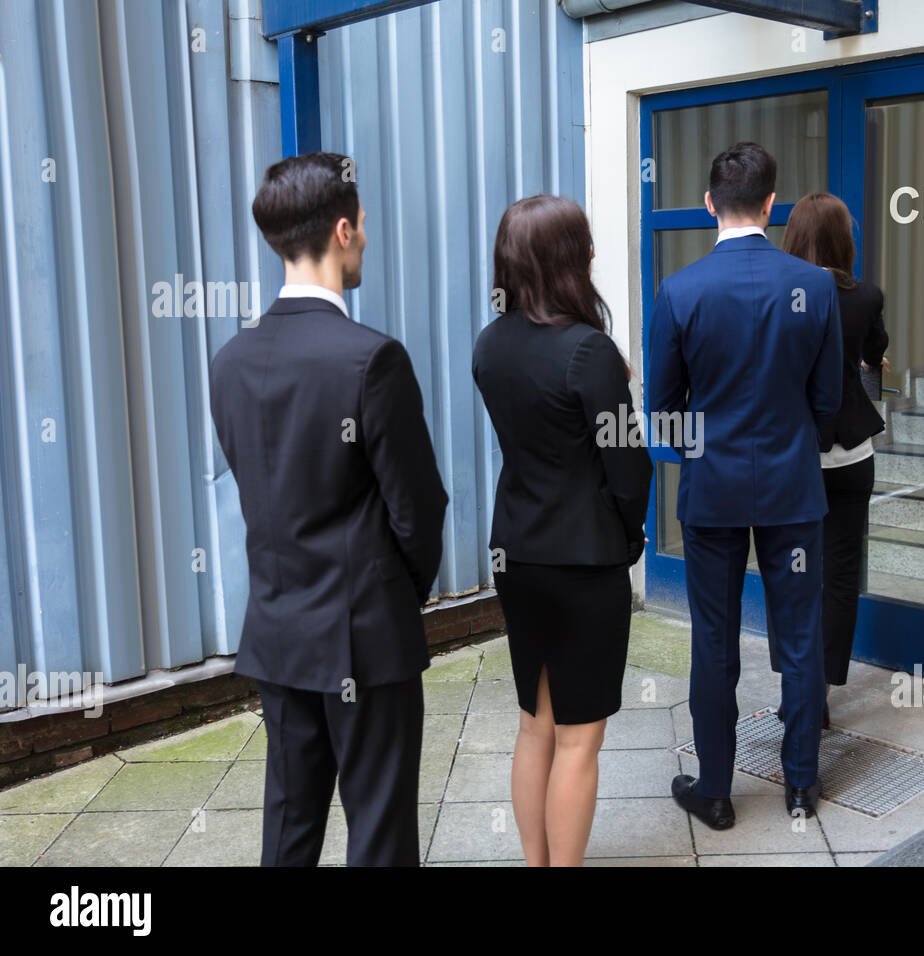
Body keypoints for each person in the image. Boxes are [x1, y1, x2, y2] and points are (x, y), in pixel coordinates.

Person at [210, 152, 448, 866]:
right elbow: (419, 511)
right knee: (378, 833)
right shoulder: (372, 359)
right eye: (365, 226)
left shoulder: (231, 360)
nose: (368, 239)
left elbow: (265, 484)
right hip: (365, 639)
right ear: (342, 230)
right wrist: (393, 599)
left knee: (288, 827)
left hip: (280, 633)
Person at [648, 143, 843, 827]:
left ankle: (717, 791)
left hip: (713, 494)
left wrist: (707, 453)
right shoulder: (815, 287)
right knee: (800, 637)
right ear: (771, 205)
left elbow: (664, 410)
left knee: (713, 641)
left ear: (709, 206)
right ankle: (800, 786)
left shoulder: (680, 291)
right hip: (793, 486)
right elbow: (826, 402)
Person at [472, 194, 652, 866]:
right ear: (571, 260)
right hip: (583, 561)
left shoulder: (491, 344)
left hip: (516, 552)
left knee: (534, 725)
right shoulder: (589, 352)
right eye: (585, 244)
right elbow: (629, 471)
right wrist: (629, 536)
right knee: (579, 738)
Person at [771, 193, 888, 727]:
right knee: (840, 575)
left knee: (792, 575)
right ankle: (817, 692)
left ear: (793, 237)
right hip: (851, 456)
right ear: (846, 239)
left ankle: (796, 688)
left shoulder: (774, 293)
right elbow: (872, 355)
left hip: (794, 458)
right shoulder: (864, 295)